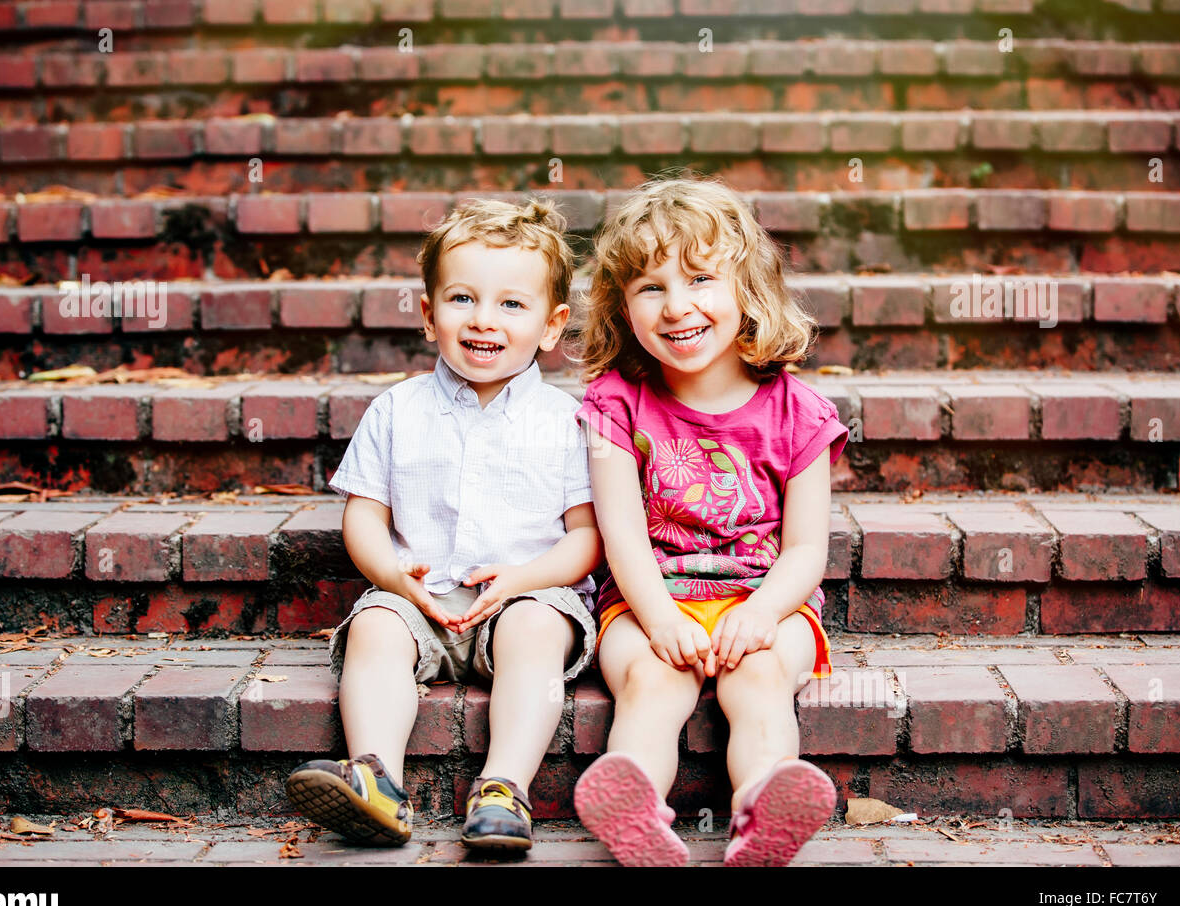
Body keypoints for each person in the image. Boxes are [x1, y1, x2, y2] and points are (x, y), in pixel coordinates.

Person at [287, 197, 601, 853]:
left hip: (526, 594)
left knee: (538, 628)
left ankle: (501, 788)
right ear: (429, 315)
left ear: (552, 325)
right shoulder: (397, 409)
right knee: (373, 627)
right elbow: (365, 515)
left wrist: (523, 578)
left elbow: (585, 537)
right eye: (462, 298)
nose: (484, 320)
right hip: (420, 597)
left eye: (512, 304)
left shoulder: (566, 420)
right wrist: (391, 576)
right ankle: (377, 781)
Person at [572, 175, 849, 866]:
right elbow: (622, 534)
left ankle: (764, 808)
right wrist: (660, 617)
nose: (677, 307)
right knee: (650, 682)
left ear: (747, 289)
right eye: (650, 288)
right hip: (647, 597)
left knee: (757, 680)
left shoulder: (799, 412)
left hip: (765, 599)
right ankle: (633, 810)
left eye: (700, 279)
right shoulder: (616, 403)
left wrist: (761, 613)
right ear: (623, 307)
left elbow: (806, 547)